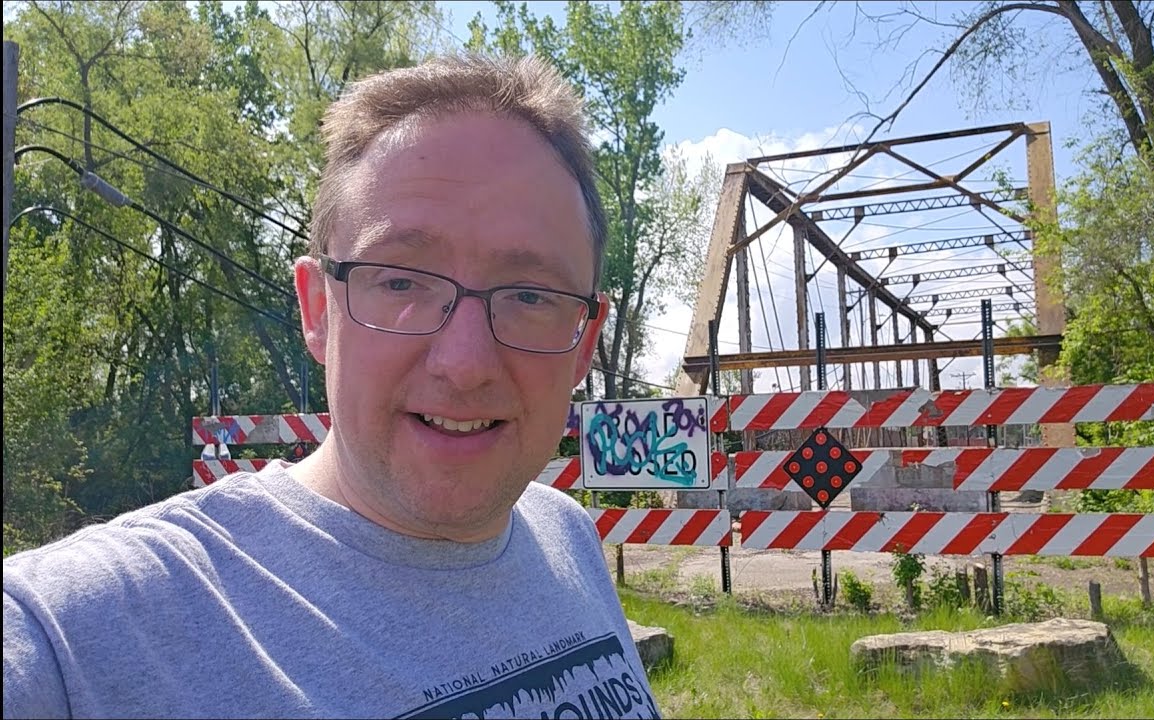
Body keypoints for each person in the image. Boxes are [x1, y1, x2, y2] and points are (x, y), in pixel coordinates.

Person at [3, 53, 661, 720]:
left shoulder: (565, 533)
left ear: (585, 341)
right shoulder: (79, 634)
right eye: (401, 281)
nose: (465, 363)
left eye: (528, 294)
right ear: (318, 311)